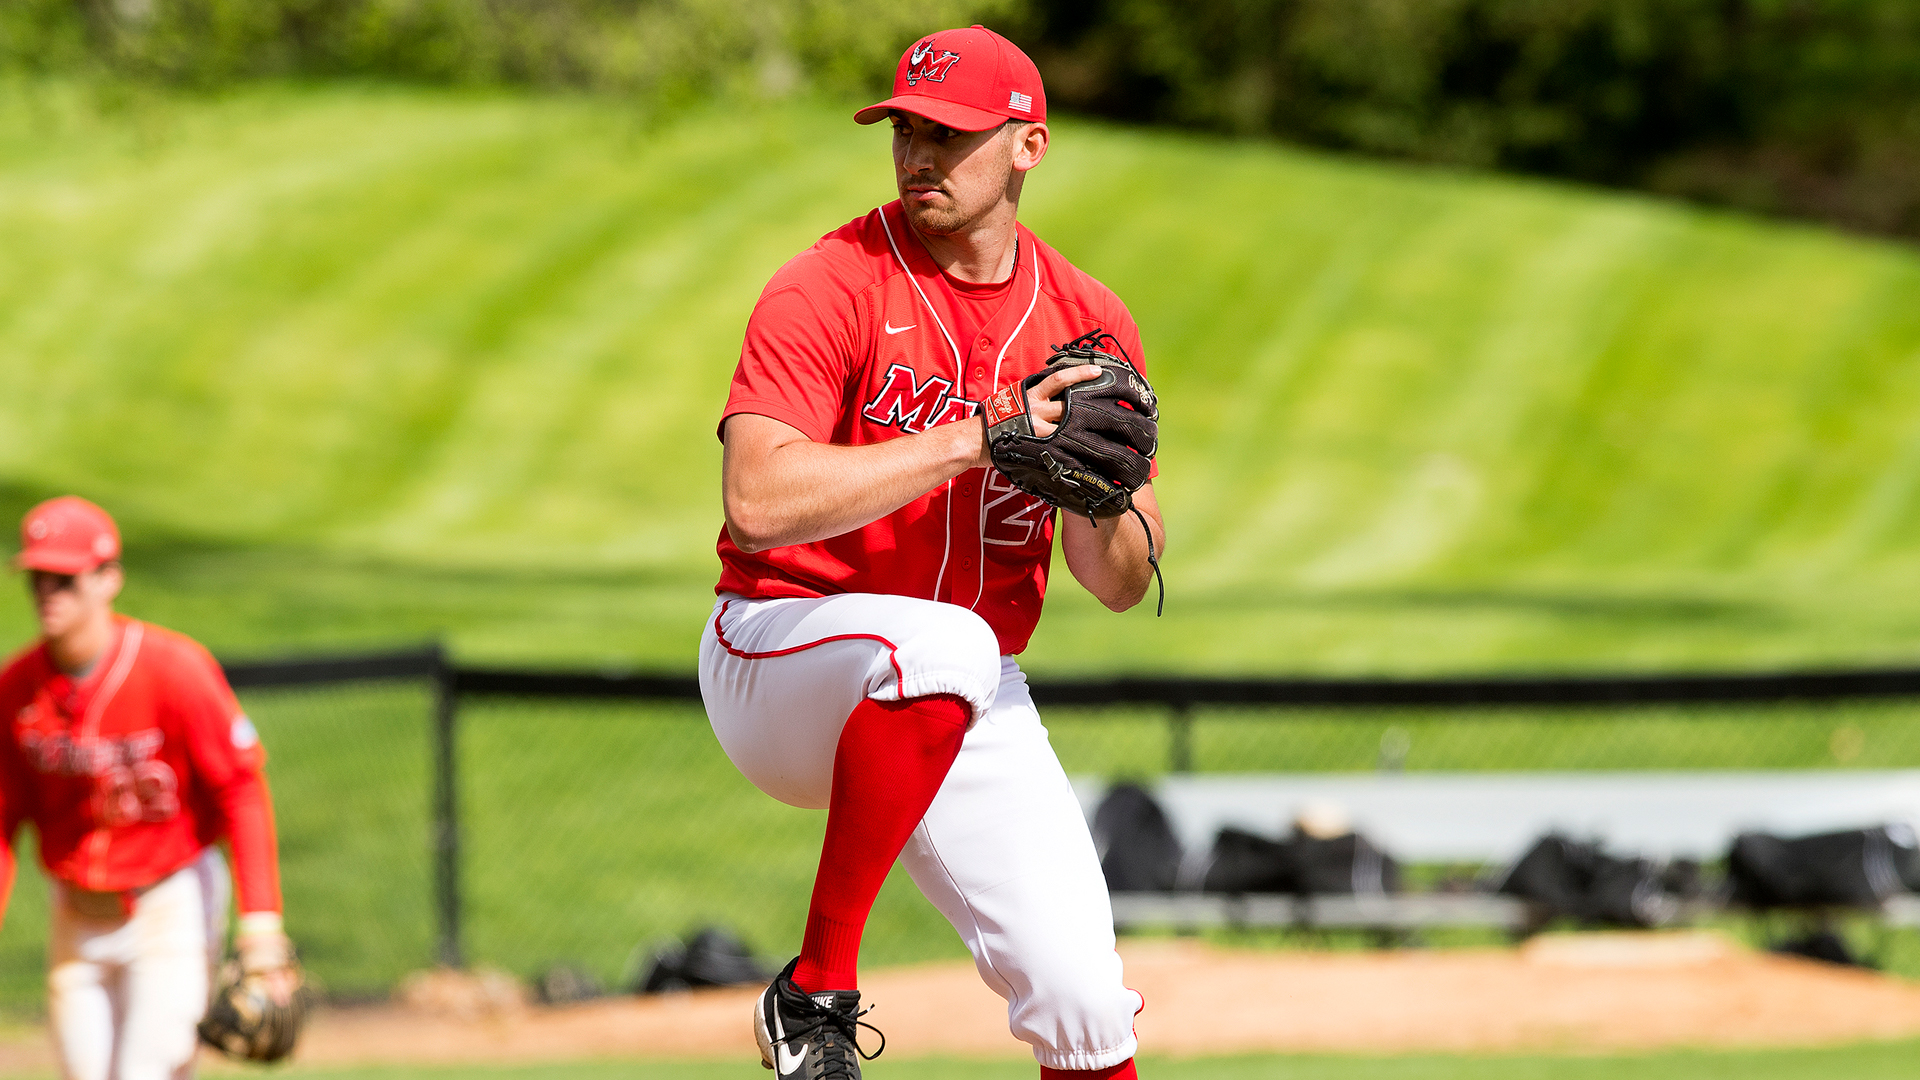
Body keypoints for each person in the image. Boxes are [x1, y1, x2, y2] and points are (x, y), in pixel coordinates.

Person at [699, 25, 1163, 1080]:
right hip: (779, 652)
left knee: (1087, 1003)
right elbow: (758, 501)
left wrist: (1104, 500)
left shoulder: (1088, 320)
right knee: (942, 643)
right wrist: (978, 436)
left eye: (949, 134)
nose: (919, 154)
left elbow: (1117, 583)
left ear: (1027, 146)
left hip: (961, 684)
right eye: (907, 128)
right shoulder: (827, 284)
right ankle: (816, 991)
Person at [0, 496, 296, 1080]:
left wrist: (263, 926)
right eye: (39, 578)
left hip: (168, 906)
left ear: (109, 579)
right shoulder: (16, 691)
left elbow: (241, 789)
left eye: (65, 578)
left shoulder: (174, 670)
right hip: (75, 915)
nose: (48, 594)